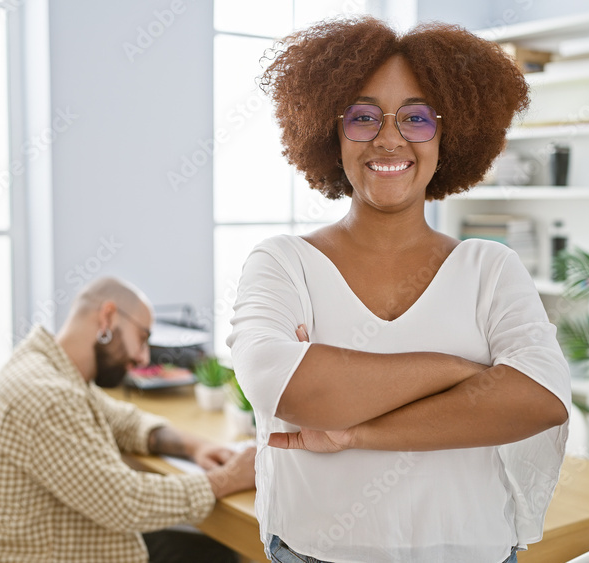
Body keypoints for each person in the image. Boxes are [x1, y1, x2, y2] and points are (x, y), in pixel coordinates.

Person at [227, 16, 570, 563]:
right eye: (363, 117)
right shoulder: (283, 262)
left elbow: (541, 399)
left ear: (449, 134)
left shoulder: (491, 268)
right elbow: (288, 389)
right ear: (331, 132)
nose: (389, 138)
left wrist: (353, 431)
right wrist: (462, 372)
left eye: (416, 117)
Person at [0, 276, 255, 563]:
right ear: (108, 317)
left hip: (66, 535)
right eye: (142, 338)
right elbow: (126, 502)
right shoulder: (46, 395)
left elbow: (123, 421)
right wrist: (227, 479)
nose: (143, 358)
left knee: (210, 551)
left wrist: (196, 447)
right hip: (49, 553)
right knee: (220, 555)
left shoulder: (49, 368)